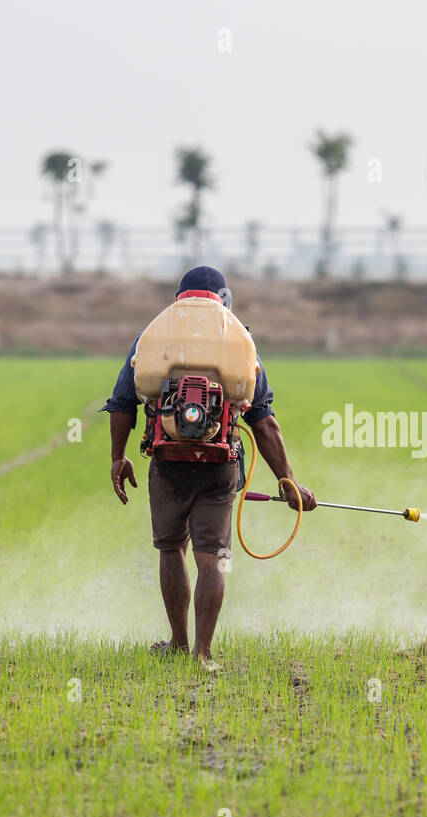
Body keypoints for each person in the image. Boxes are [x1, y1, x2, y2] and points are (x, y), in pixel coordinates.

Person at [103, 266, 316, 671]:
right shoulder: (239, 339)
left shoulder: (154, 336)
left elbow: (121, 402)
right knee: (212, 558)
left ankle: (179, 644)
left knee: (171, 550)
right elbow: (262, 419)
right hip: (220, 465)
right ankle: (203, 654)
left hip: (168, 464)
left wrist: (119, 456)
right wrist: (286, 480)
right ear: (223, 298)